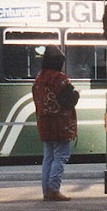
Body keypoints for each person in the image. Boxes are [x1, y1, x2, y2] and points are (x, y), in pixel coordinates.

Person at [33, 46, 77, 201]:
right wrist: (76, 94)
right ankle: (54, 188)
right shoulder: (60, 79)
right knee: (61, 155)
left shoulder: (39, 78)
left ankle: (46, 190)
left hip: (44, 123)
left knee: (48, 156)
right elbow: (69, 100)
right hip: (60, 124)